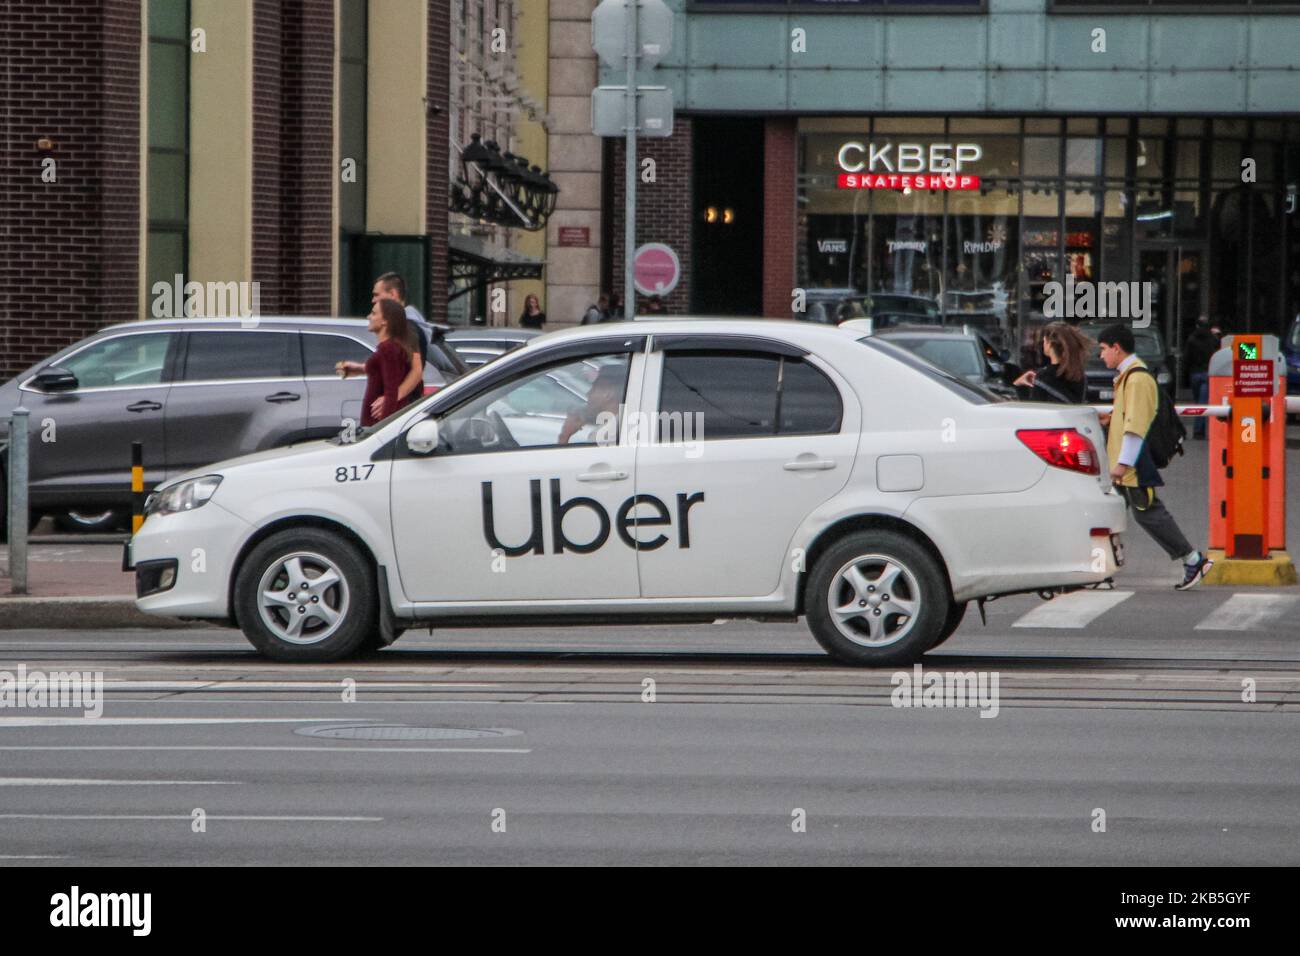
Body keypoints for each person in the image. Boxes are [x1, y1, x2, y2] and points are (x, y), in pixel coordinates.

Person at [1096, 324, 1212, 590]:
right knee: (1111, 517)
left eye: (1103, 349)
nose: (1101, 356)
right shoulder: (1129, 377)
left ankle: (1193, 559)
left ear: (1116, 348)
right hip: (1124, 465)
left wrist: (1121, 465)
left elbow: (1135, 427)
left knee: (1148, 514)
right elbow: (1129, 418)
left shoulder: (1137, 379)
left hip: (1131, 466)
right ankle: (1101, 573)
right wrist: (1111, 419)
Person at [337, 299, 415, 427]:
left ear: (385, 321)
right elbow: (385, 372)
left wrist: (383, 429)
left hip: (378, 425)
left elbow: (392, 391)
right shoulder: (391, 348)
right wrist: (362, 368)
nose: (369, 317)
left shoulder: (388, 349)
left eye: (373, 313)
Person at [371, 272, 425, 416]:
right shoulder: (400, 326)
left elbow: (416, 371)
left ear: (393, 294)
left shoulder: (406, 327)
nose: (373, 300)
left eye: (377, 295)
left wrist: (391, 399)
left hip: (402, 411)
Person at [1013, 321, 1089, 403]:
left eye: (1044, 341)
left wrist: (1019, 385)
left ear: (1049, 344)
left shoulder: (1044, 376)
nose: (1043, 344)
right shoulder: (1079, 375)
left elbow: (1034, 410)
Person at [556, 364, 626, 444]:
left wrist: (564, 436)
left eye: (594, 389)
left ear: (608, 394)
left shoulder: (602, 436)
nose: (588, 394)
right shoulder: (624, 422)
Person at [1183, 315, 1219, 440]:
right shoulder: (1212, 339)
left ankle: (1199, 429)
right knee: (1203, 403)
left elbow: (1186, 358)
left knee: (1198, 401)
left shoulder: (1191, 339)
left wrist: (1186, 374)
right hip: (1207, 373)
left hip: (1195, 374)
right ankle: (1199, 430)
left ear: (1197, 325)